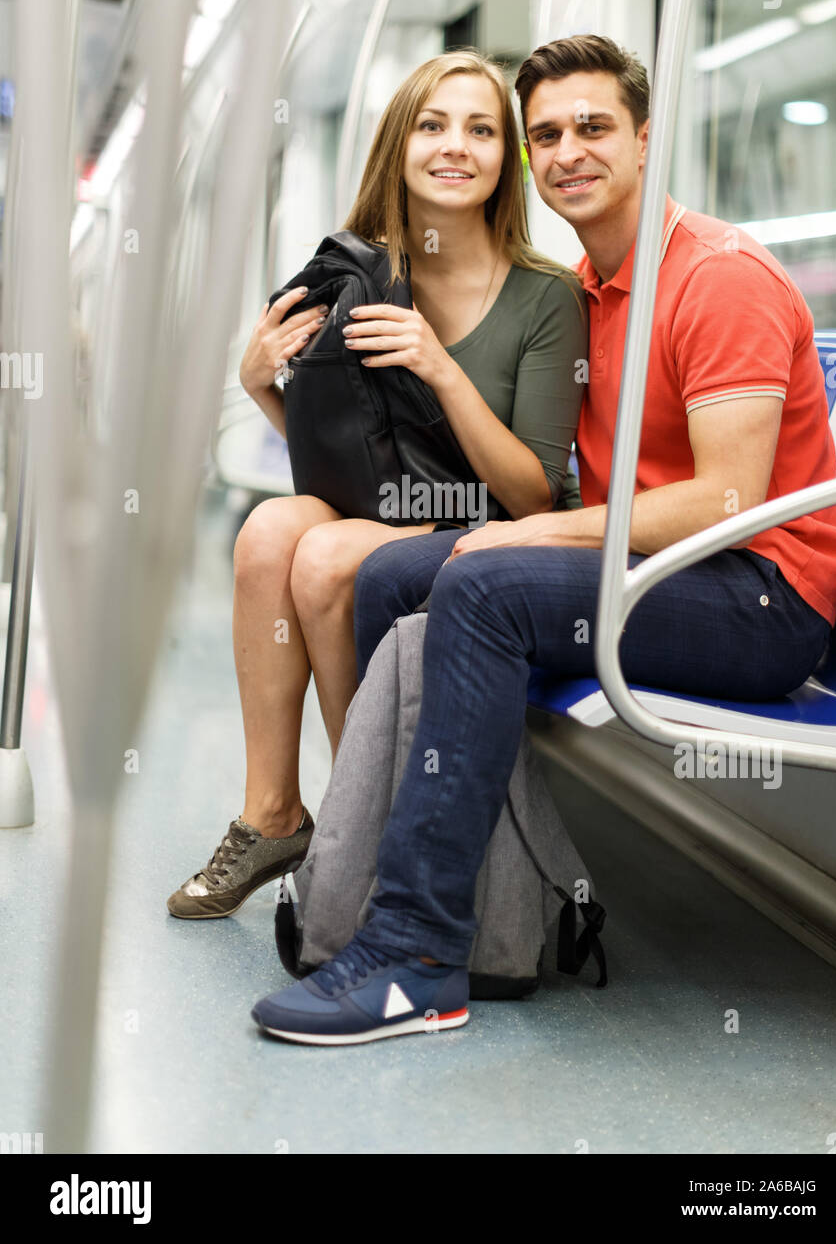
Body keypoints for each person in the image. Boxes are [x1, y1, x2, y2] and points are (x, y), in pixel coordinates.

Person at [250, 33, 836, 1045]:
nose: (568, 151)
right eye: (545, 135)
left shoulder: (717, 280)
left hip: (759, 595)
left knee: (482, 587)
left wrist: (530, 534)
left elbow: (724, 500)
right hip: (653, 569)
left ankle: (418, 956)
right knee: (390, 572)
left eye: (593, 127)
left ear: (644, 139)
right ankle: (370, 875)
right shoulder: (590, 289)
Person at [167, 49, 586, 919]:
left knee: (324, 557)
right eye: (432, 125)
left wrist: (441, 368)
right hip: (386, 507)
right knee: (269, 532)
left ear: (505, 160)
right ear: (399, 145)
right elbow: (340, 450)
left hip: (487, 522)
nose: (455, 145)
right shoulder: (358, 278)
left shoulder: (545, 298)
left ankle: (362, 826)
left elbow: (536, 494)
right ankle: (273, 813)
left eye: (481, 130)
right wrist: (262, 386)